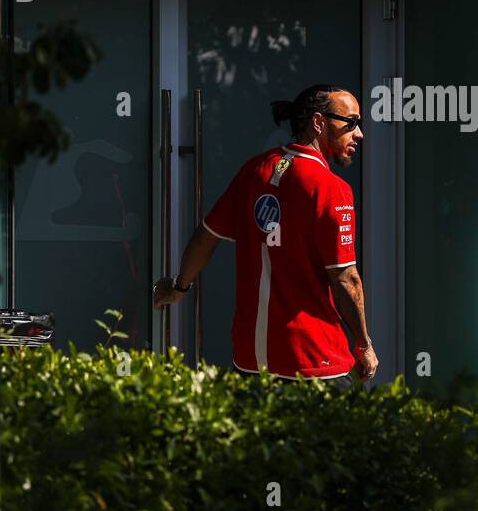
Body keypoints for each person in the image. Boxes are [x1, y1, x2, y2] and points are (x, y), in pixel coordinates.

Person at [153, 84, 378, 387]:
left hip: (251, 362)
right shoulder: (330, 188)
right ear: (318, 122)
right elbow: (346, 279)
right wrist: (364, 346)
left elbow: (206, 236)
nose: (359, 133)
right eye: (350, 122)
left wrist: (179, 288)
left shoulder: (256, 170)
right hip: (314, 363)